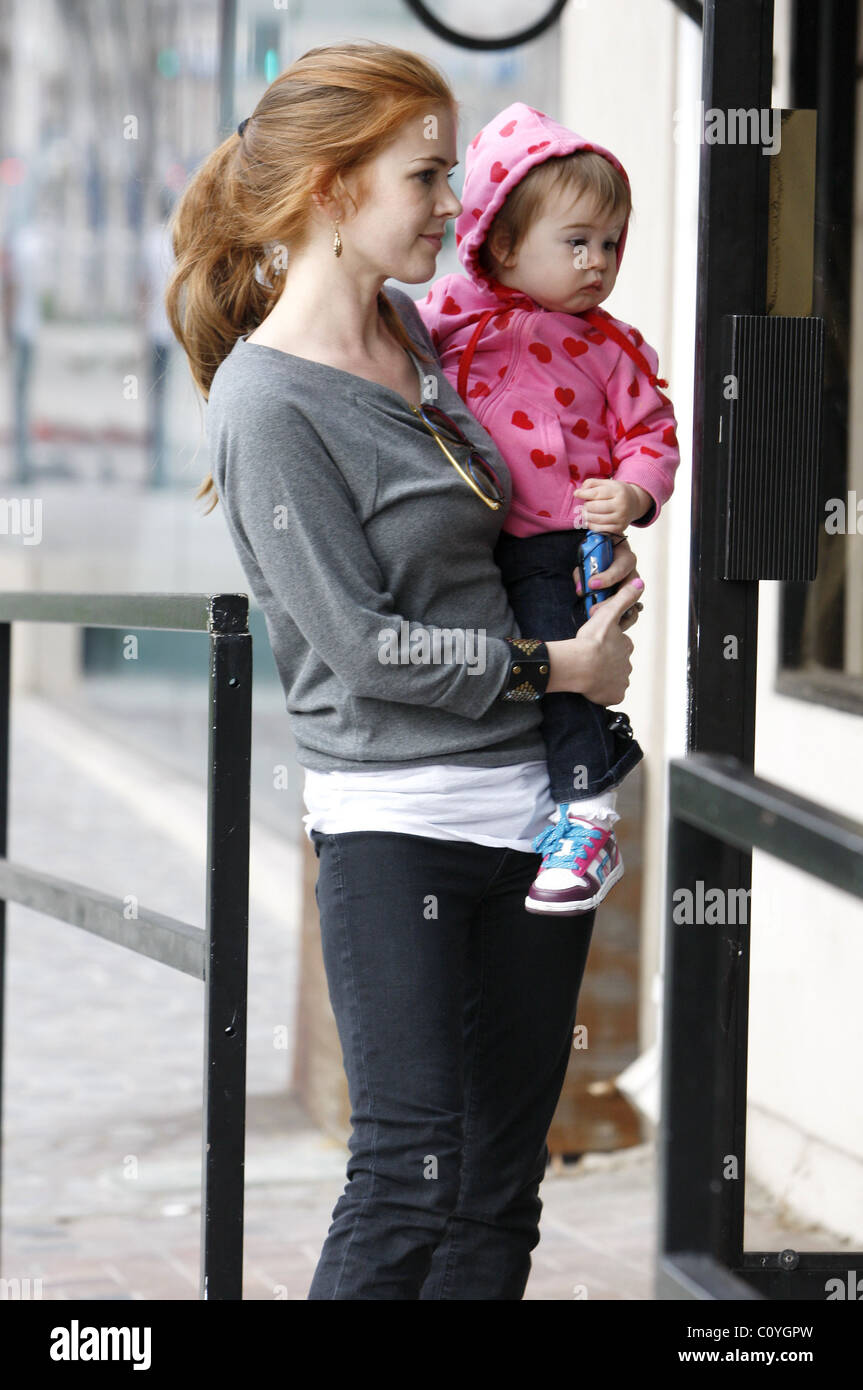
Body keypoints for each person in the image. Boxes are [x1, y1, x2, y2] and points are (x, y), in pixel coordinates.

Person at [166, 40, 645, 1301]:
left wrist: (595, 557)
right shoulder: (269, 405)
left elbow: (508, 515)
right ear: (331, 188)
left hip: (533, 812)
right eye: (428, 177)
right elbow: (368, 647)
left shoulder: (418, 332)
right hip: (399, 826)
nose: (457, 206)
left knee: (499, 1191)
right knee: (406, 1173)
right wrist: (560, 666)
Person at [418, 102, 680, 916]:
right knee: (484, 662)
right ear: (500, 242)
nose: (598, 262)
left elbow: (653, 433)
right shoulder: (446, 322)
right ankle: (554, 788)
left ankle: (588, 812)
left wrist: (633, 492)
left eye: (609, 243)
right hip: (463, 543)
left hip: (558, 546)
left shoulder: (612, 347)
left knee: (561, 671)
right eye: (576, 242)